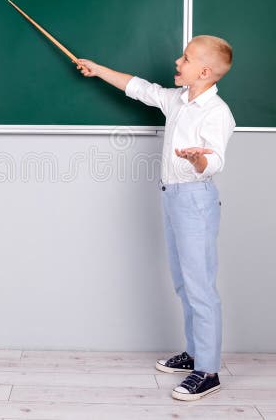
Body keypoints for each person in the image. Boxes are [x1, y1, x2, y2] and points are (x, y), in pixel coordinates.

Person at [76, 34, 236, 401]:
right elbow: (139, 88)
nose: (177, 62)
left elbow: (215, 160)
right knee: (183, 282)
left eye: (186, 58)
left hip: (195, 200)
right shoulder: (177, 99)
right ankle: (195, 352)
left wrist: (199, 159)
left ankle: (208, 370)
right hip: (172, 197)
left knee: (200, 288)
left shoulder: (216, 112)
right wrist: (98, 70)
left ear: (205, 71)